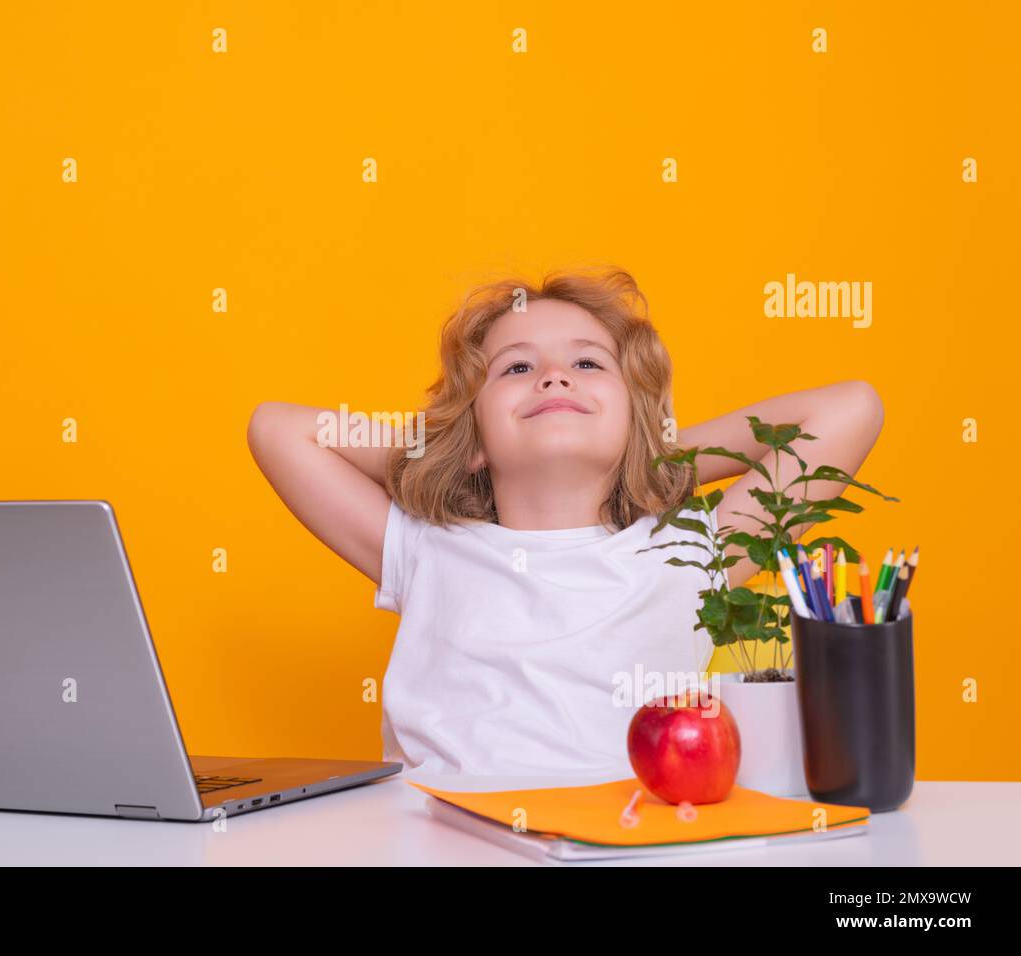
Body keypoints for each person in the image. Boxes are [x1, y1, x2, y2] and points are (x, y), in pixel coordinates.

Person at [246, 265, 884, 777]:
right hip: (437, 840)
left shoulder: (690, 553)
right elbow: (278, 429)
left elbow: (850, 408)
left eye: (587, 364)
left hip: (621, 844)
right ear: (475, 435)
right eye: (517, 368)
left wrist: (656, 451)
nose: (553, 376)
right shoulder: (425, 550)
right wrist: (448, 449)